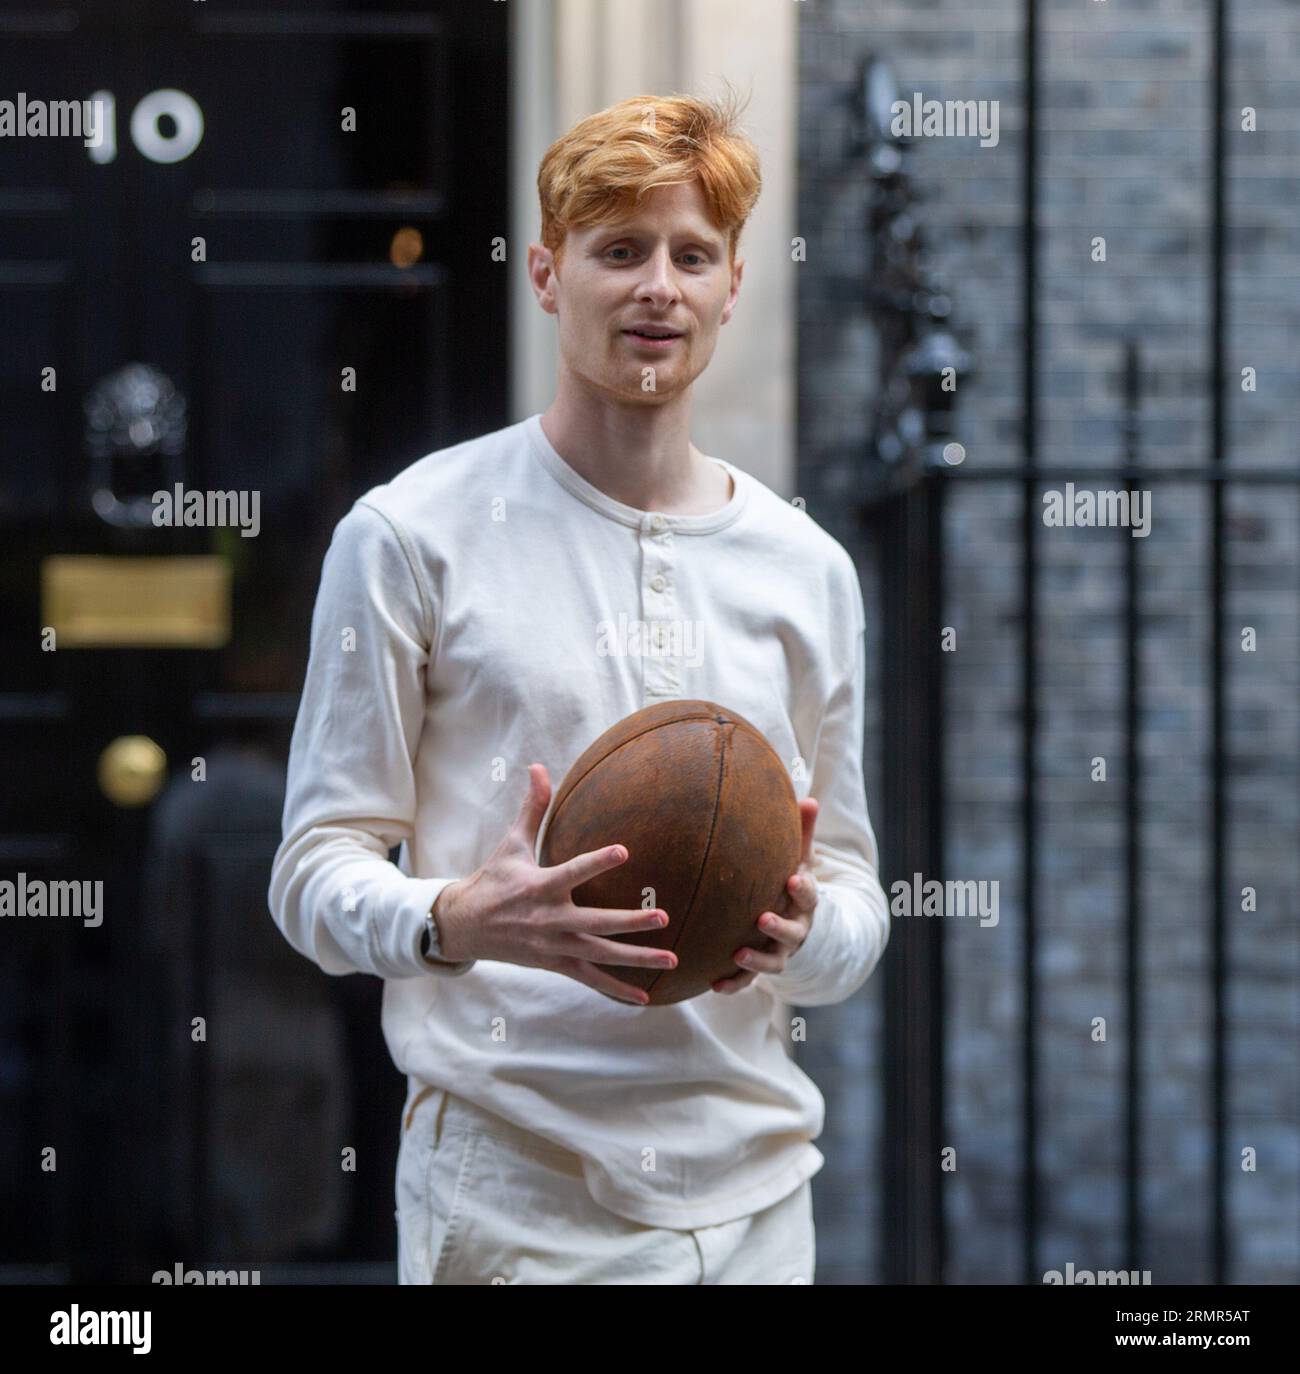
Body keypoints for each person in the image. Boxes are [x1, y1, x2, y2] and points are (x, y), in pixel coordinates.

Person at [268, 89, 889, 1285]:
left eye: (690, 254)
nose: (658, 284)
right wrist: (456, 919)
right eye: (620, 250)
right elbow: (312, 872)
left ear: (730, 288)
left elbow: (857, 897)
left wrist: (804, 934)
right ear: (548, 275)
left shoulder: (806, 570)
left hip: (761, 1195)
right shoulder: (409, 534)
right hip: (519, 1196)